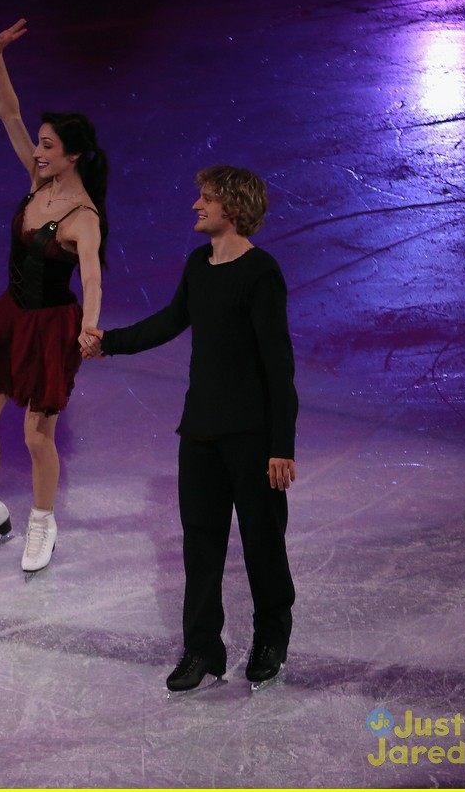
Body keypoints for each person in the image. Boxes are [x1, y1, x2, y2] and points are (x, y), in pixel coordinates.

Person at [80, 165, 297, 691]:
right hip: (199, 431)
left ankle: (272, 637)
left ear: (234, 208)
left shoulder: (260, 273)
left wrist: (280, 446)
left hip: (251, 438)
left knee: (262, 541)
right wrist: (109, 341)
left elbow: (278, 366)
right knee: (201, 545)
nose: (196, 206)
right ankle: (203, 648)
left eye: (206, 199)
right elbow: (169, 321)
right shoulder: (199, 265)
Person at [0, 18, 108, 573]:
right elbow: (8, 114)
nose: (37, 152)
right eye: (38, 145)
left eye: (47, 146)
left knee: (37, 435)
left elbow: (92, 275)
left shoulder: (83, 215)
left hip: (50, 326)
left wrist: (90, 326)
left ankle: (42, 522)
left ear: (73, 155)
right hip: (9, 314)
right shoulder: (38, 182)